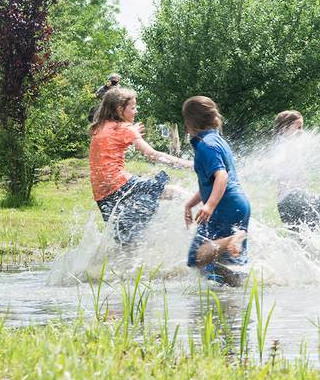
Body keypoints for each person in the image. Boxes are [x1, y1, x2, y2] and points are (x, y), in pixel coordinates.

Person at [88, 87, 191, 245]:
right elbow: (153, 154)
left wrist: (131, 131)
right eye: (133, 107)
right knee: (173, 191)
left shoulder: (100, 126)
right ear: (120, 109)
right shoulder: (125, 129)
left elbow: (113, 138)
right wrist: (190, 164)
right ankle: (209, 208)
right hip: (119, 184)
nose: (136, 111)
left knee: (128, 241)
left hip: (102, 194)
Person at [182, 96, 251, 286]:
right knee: (228, 267)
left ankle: (233, 239)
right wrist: (191, 203)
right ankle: (229, 301)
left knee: (196, 257)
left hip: (224, 206)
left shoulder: (206, 146)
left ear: (190, 122)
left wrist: (210, 206)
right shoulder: (217, 140)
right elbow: (211, 182)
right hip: (237, 204)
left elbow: (221, 176)